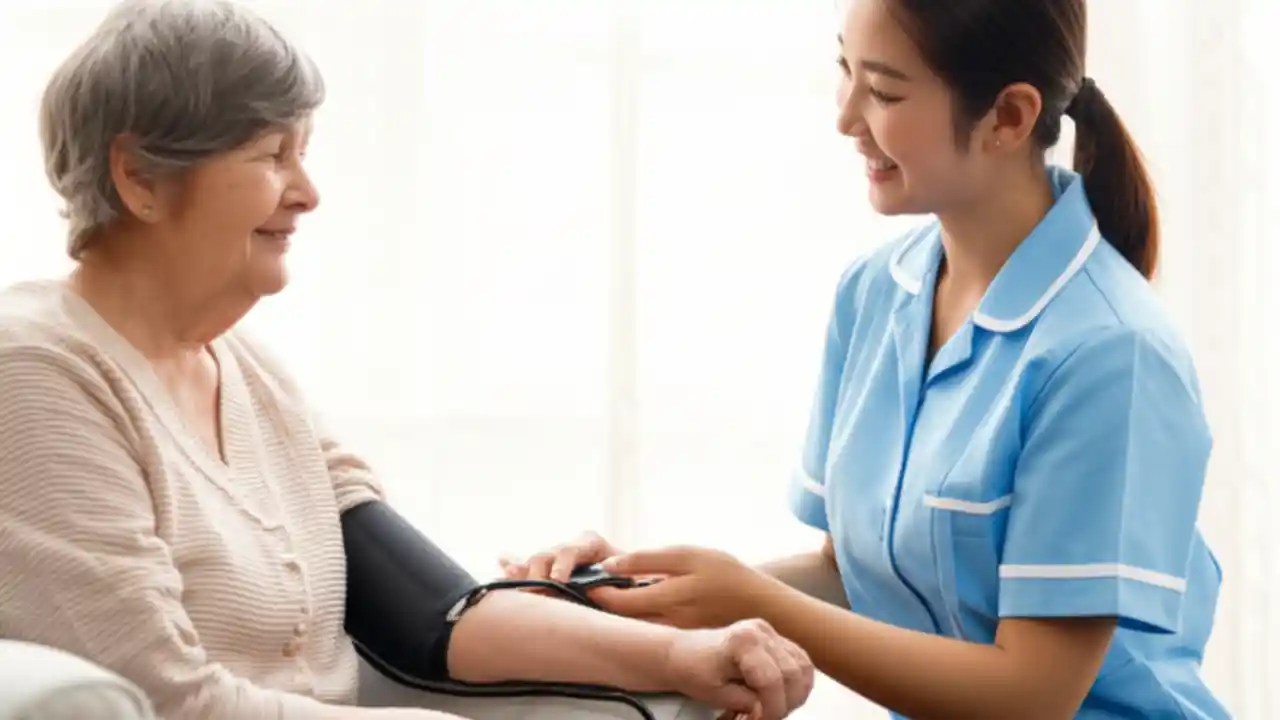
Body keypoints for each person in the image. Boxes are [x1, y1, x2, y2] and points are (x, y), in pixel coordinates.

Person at [0, 2, 815, 720]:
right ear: (139, 176)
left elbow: (431, 612)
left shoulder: (249, 374)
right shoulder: (38, 374)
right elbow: (161, 704)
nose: (308, 191)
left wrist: (686, 654)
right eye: (271, 155)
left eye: (303, 153)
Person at [504, 0, 1230, 718]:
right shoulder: (877, 293)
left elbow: (1031, 695)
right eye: (844, 71)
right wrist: (634, 598)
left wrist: (749, 603)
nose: (846, 118)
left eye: (883, 91)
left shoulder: (1109, 354)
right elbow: (854, 574)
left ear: (1009, 117)